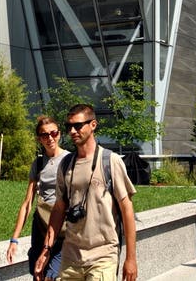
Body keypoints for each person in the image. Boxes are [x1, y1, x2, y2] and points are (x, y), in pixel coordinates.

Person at [34, 103, 137, 281]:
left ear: (93, 125)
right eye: (69, 127)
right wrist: (46, 250)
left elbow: (127, 209)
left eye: (78, 126)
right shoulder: (65, 165)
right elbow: (58, 210)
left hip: (103, 256)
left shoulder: (110, 161)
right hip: (71, 257)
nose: (72, 131)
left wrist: (131, 258)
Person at [7, 116, 69, 280]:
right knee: (38, 274)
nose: (50, 138)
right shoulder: (39, 163)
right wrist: (14, 239)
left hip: (62, 229)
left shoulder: (70, 160)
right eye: (44, 135)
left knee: (50, 276)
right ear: (39, 139)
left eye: (53, 133)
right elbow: (27, 203)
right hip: (40, 225)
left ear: (59, 134)